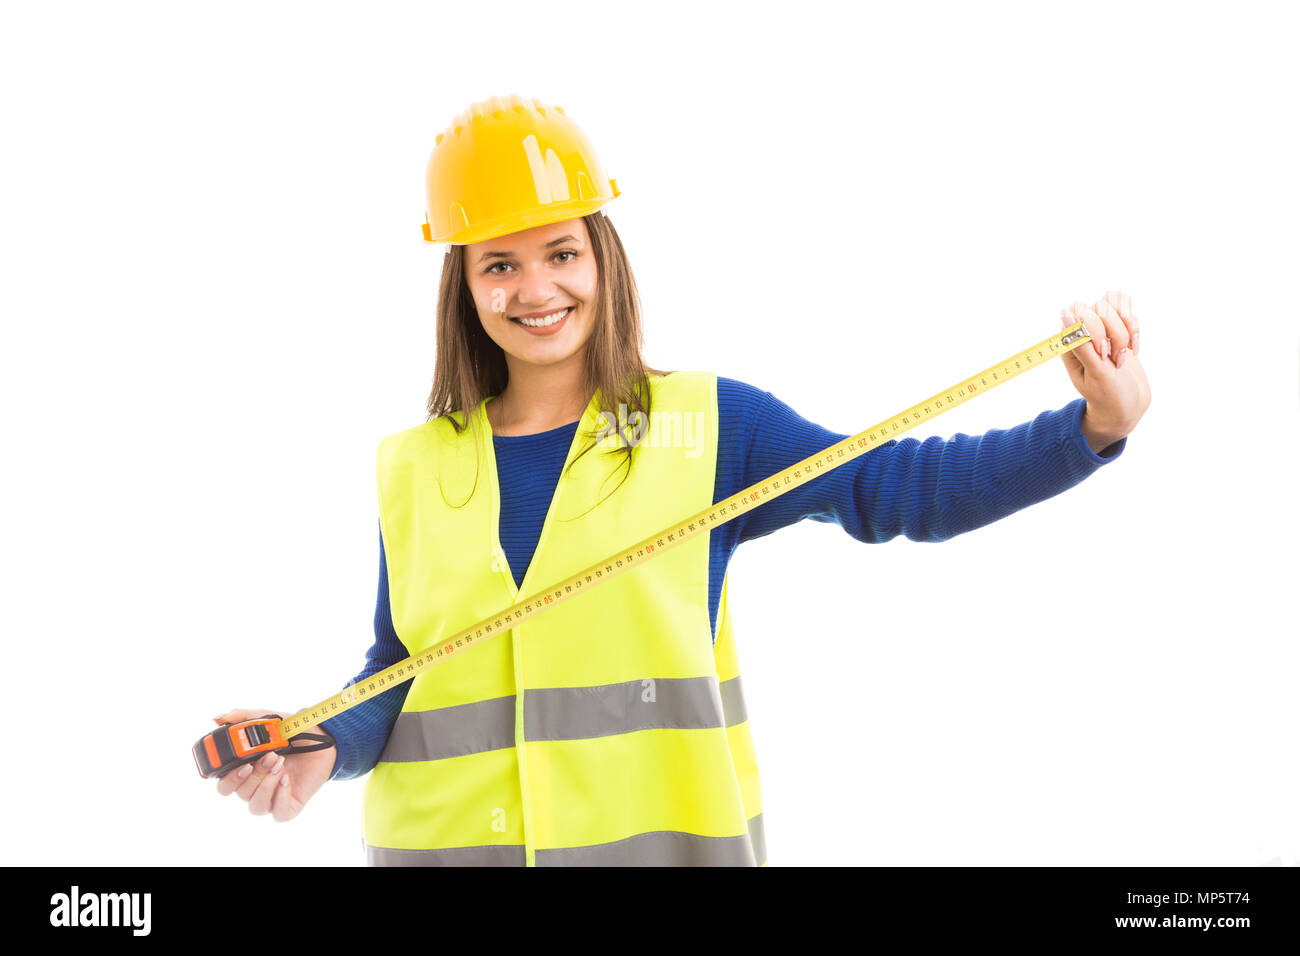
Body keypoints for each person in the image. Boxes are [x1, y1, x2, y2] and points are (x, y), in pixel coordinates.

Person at [212, 94, 1151, 866]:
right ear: (463, 283)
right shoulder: (413, 466)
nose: (535, 289)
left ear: (603, 256)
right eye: (500, 263)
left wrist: (1093, 428)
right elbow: (402, 670)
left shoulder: (709, 428)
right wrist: (321, 740)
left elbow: (899, 488)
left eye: (561, 253)